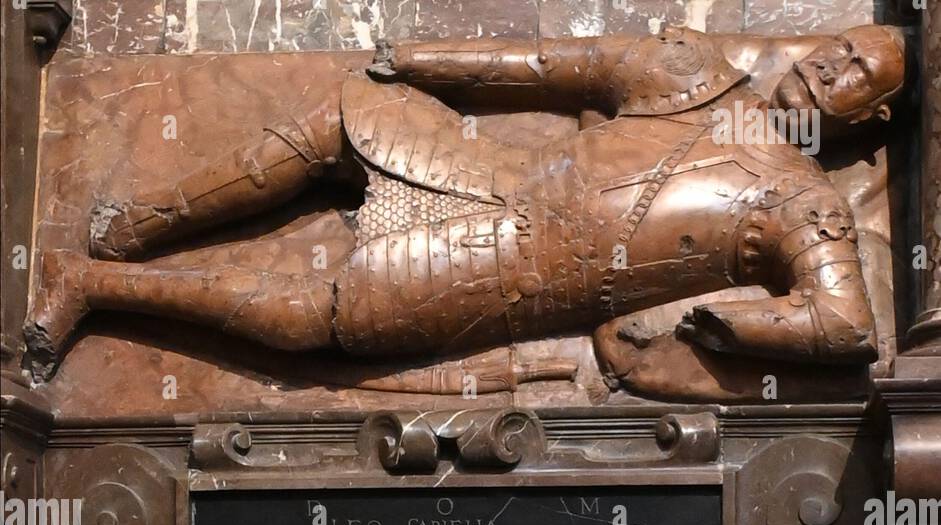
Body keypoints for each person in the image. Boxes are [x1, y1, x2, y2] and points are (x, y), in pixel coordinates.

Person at [25, 25, 907, 386]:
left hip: (503, 275)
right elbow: (540, 69)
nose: (832, 66)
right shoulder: (690, 75)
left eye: (858, 73)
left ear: (871, 118)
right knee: (336, 117)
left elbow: (844, 326)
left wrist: (727, 324)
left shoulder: (802, 203)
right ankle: (139, 223)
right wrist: (421, 58)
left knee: (317, 318)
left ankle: (91, 281)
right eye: (838, 47)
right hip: (487, 169)